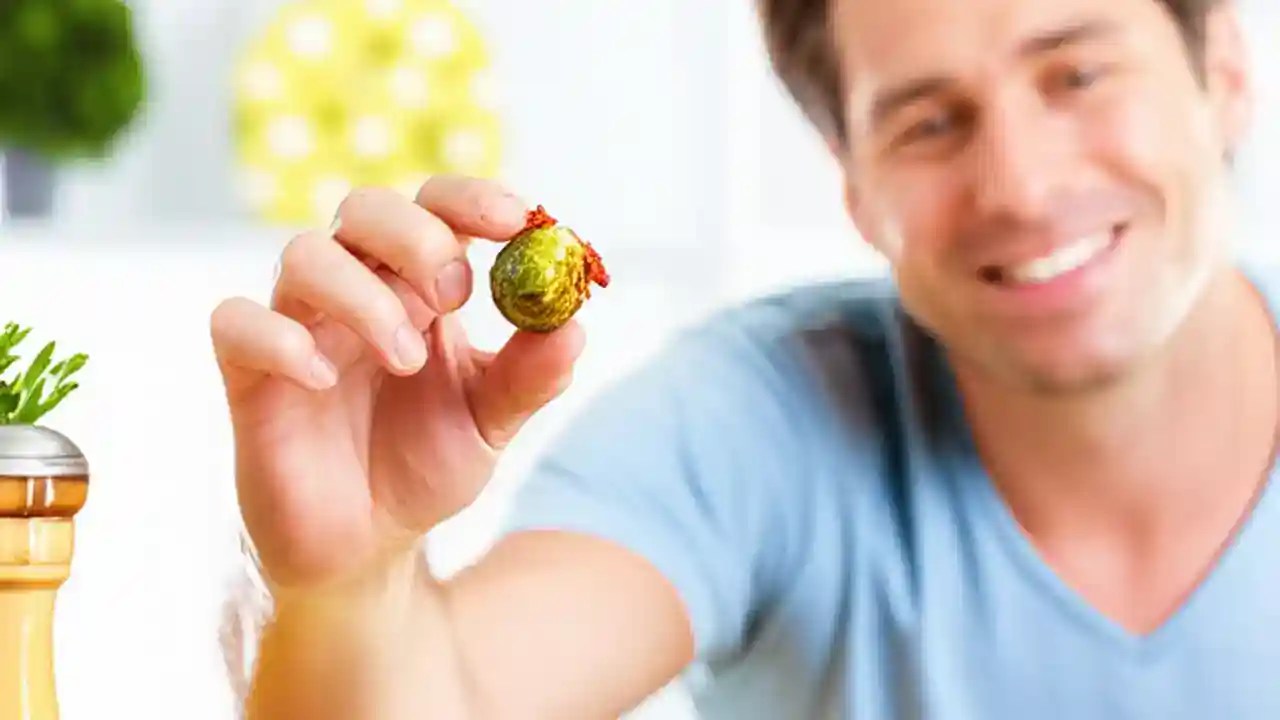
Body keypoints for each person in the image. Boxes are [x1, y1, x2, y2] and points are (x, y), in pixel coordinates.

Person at [209, 0, 1280, 716]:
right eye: (925, 124)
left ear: (1222, 73)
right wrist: (347, 585)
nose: (1021, 187)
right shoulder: (750, 421)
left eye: (1077, 74)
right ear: (853, 186)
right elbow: (453, 697)